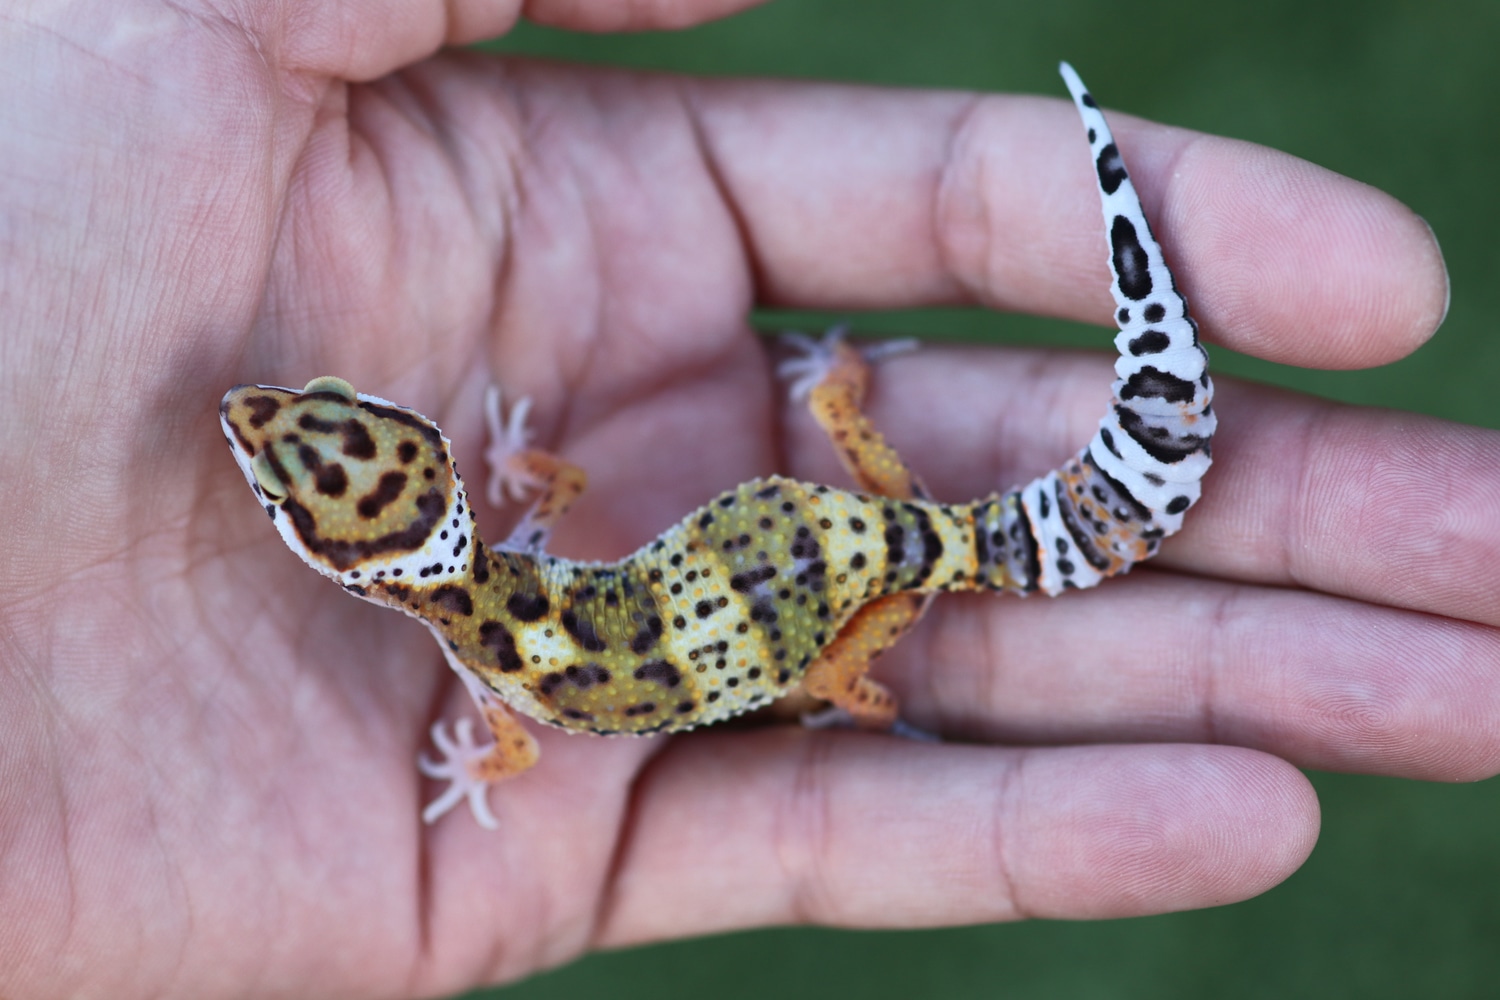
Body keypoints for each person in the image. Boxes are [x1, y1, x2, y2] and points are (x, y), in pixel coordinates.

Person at [0, 1, 1486, 996]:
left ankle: (861, 618)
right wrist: (562, 483)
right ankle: (868, 460)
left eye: (299, 443)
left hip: (837, 571)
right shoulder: (509, 595)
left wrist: (812, 677)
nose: (268, 426)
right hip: (825, 544)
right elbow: (545, 564)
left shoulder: (500, 642)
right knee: (844, 568)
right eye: (297, 456)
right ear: (393, 491)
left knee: (843, 615)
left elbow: (514, 734)